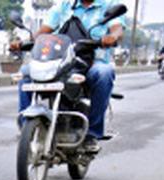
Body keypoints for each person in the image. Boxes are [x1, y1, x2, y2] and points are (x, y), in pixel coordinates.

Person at [12, 0, 125, 153]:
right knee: (26, 72)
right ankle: (27, 127)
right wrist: (26, 42)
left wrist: (112, 36)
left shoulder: (108, 6)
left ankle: (92, 134)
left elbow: (117, 29)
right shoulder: (64, 6)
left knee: (104, 73)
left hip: (92, 62)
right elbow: (44, 31)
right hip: (60, 61)